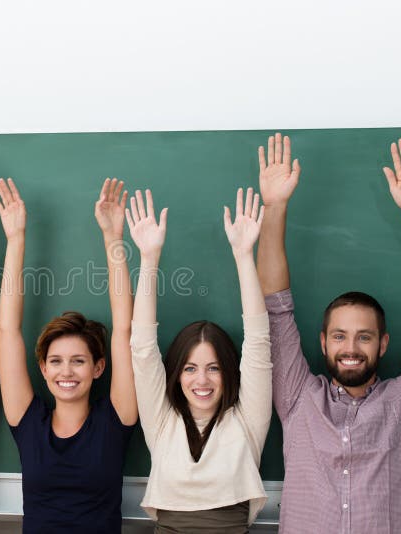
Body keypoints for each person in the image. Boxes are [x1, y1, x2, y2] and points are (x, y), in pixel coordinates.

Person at [256, 133, 401, 533]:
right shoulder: (298, 398)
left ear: (383, 344)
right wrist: (275, 207)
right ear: (323, 342)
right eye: (340, 336)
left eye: (364, 337)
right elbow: (273, 304)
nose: (351, 347)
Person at [0, 177, 138, 533]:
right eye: (56, 361)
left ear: (98, 367)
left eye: (78, 361)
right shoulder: (28, 424)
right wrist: (16, 240)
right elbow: (7, 331)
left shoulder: (114, 421)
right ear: (42, 368)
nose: (67, 371)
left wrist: (113, 239)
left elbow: (126, 331)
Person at [127, 187, 271, 533]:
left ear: (228, 373)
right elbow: (143, 351)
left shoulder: (247, 421)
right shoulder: (162, 424)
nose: (201, 380)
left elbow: (258, 342)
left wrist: (243, 255)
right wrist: (148, 259)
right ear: (176, 374)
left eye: (213, 368)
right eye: (190, 368)